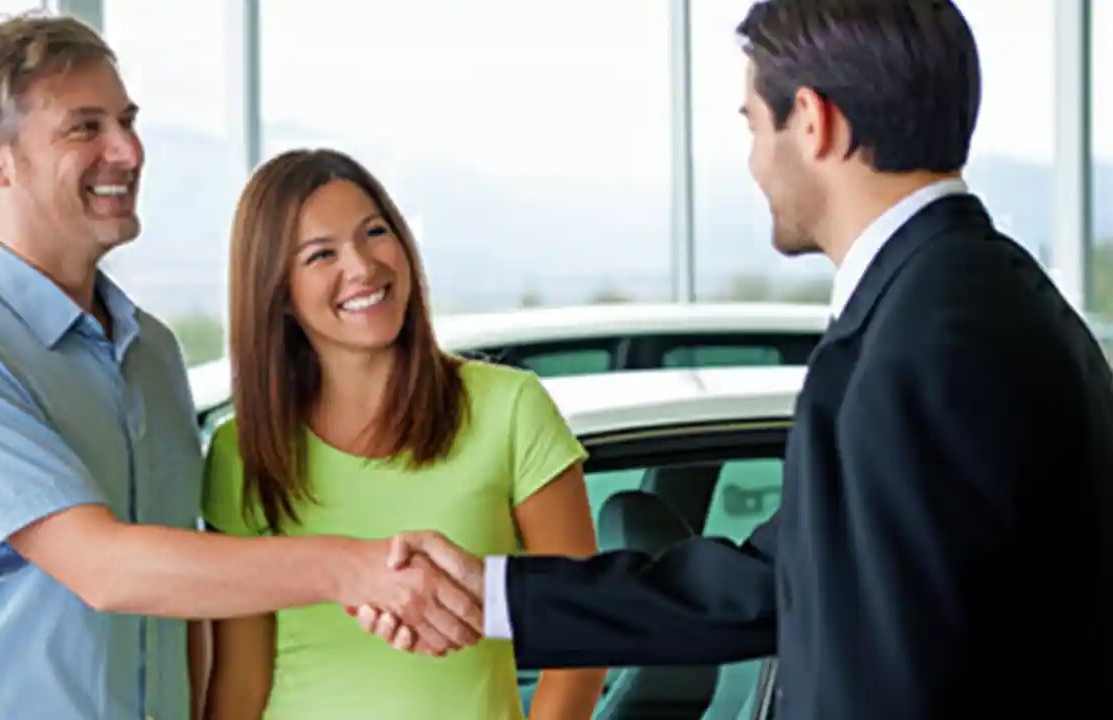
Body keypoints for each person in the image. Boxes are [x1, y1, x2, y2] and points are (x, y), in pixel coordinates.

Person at [359, 1, 1113, 717]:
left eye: (755, 126)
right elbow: (778, 584)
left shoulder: (925, 344)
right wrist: (491, 593)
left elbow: (900, 677)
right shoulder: (976, 298)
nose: (754, 161)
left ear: (813, 121)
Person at [0, 14, 480, 720]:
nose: (127, 151)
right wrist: (359, 569)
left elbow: (183, 594)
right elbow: (106, 568)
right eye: (84, 128)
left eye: (126, 121)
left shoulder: (149, 349)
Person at [196, 148, 605, 719]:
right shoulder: (241, 452)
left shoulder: (510, 408)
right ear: (278, 292)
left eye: (375, 232)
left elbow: (582, 637)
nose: (363, 267)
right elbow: (240, 680)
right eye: (321, 254)